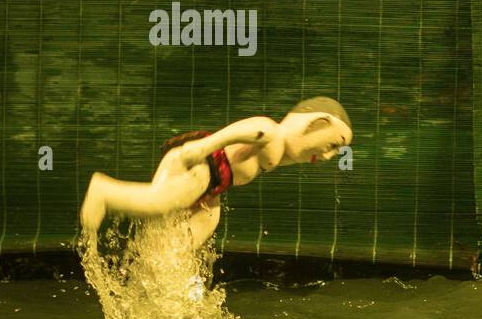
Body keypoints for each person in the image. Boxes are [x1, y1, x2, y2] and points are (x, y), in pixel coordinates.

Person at [79, 96, 353, 248]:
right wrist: (202, 147)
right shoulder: (270, 131)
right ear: (317, 123)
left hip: (215, 186)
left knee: (184, 245)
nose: (327, 156)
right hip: (201, 166)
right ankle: (104, 191)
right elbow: (243, 131)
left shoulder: (283, 152)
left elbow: (293, 152)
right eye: (331, 145)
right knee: (157, 203)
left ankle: (168, 277)